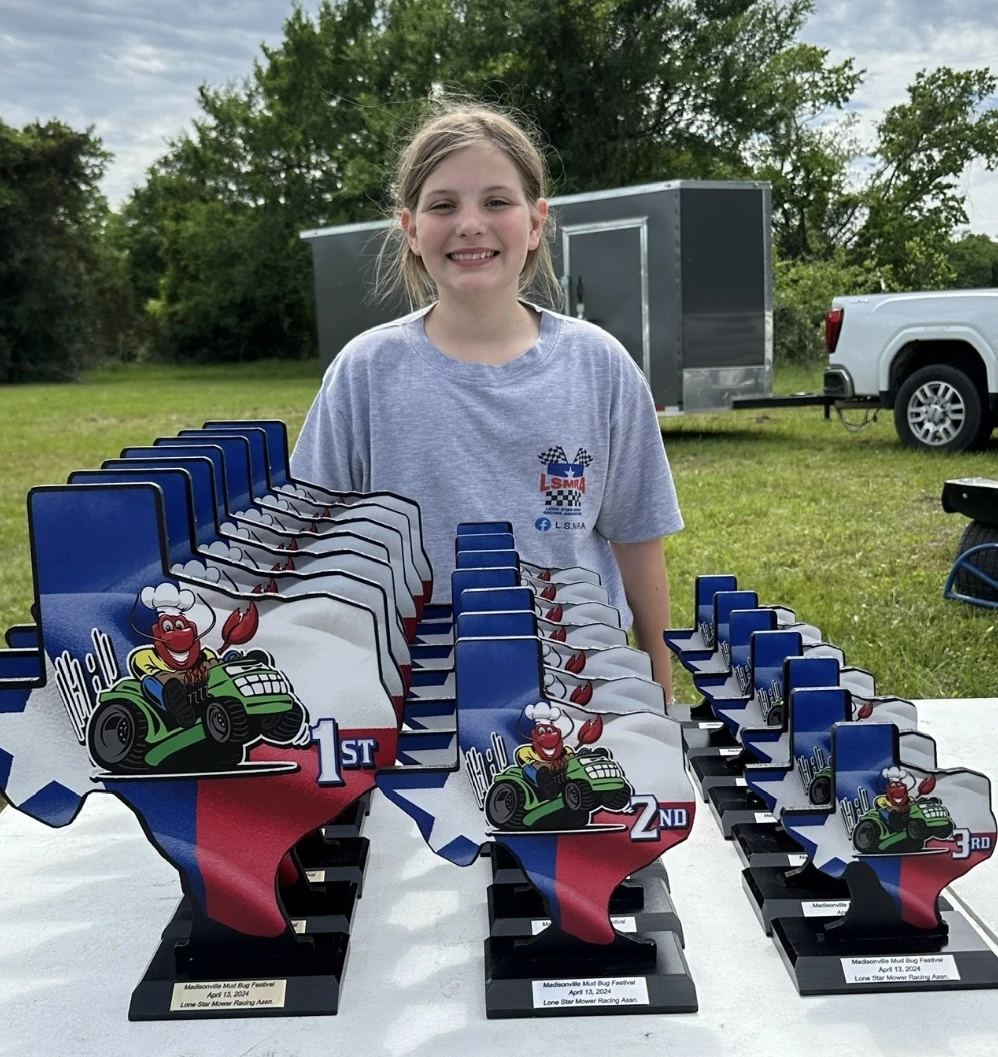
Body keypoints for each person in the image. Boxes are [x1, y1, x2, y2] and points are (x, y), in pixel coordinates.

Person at [291, 100, 684, 701]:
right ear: (411, 230)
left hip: (578, 689)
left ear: (535, 223)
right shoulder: (364, 373)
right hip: (408, 691)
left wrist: (659, 680)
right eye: (443, 205)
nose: (470, 223)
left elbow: (636, 537)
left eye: (496, 201)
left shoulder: (598, 365)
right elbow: (316, 549)